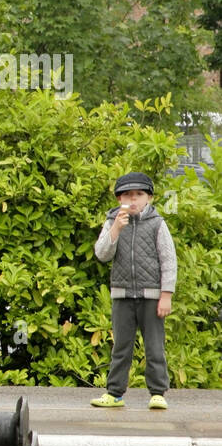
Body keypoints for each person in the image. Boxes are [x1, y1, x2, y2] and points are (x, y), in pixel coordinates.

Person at [90, 172, 176, 410]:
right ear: (119, 199)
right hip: (122, 295)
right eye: (128, 195)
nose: (133, 199)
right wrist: (116, 229)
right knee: (121, 347)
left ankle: (158, 393)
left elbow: (169, 260)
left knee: (154, 347)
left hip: (152, 297)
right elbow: (102, 254)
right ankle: (114, 394)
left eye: (139, 194)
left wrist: (166, 295)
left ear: (149, 198)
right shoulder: (112, 221)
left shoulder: (157, 223)